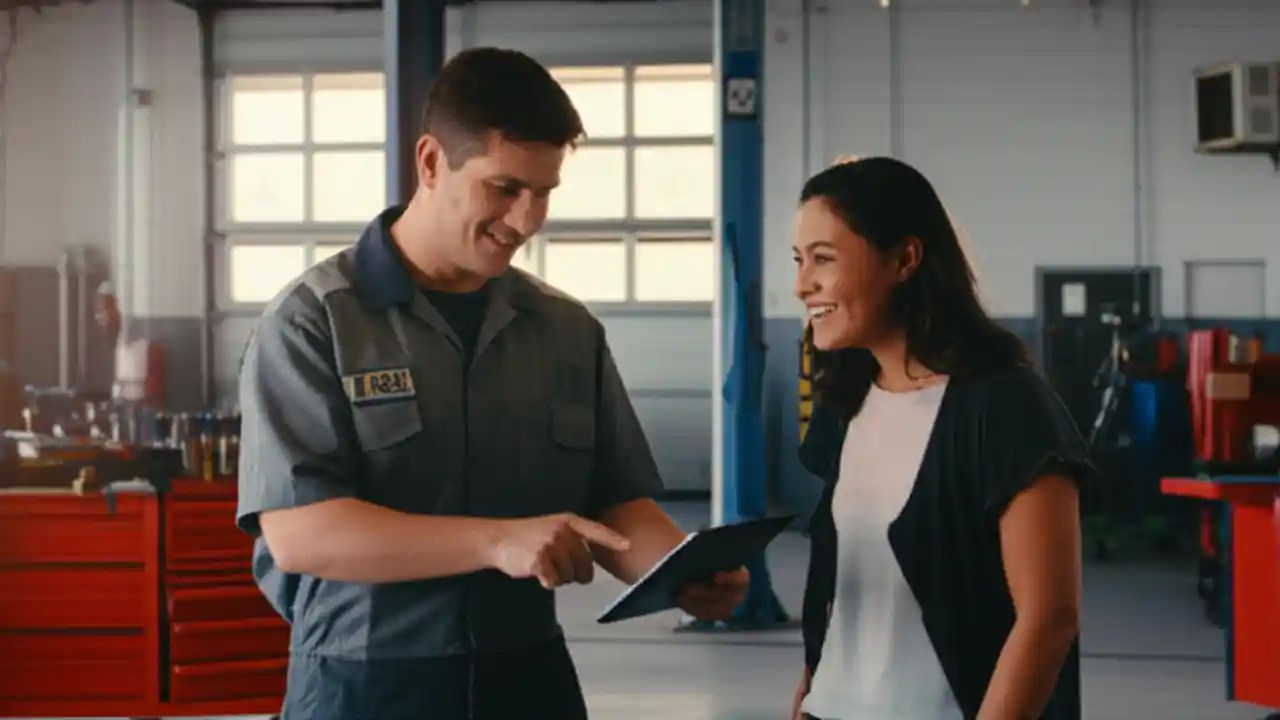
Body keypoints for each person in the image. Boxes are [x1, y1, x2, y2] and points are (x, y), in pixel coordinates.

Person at [235, 47, 748, 720]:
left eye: (545, 193)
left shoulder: (565, 331)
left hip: (527, 678)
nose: (528, 219)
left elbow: (618, 504)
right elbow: (304, 533)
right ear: (430, 162)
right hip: (366, 683)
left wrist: (679, 570)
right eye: (505, 188)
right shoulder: (314, 322)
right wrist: (495, 540)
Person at [788, 157, 1091, 720]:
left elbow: (1049, 618)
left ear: (904, 259)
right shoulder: (846, 404)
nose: (803, 284)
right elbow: (841, 586)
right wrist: (808, 695)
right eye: (800, 259)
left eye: (824, 259)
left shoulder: (1005, 407)